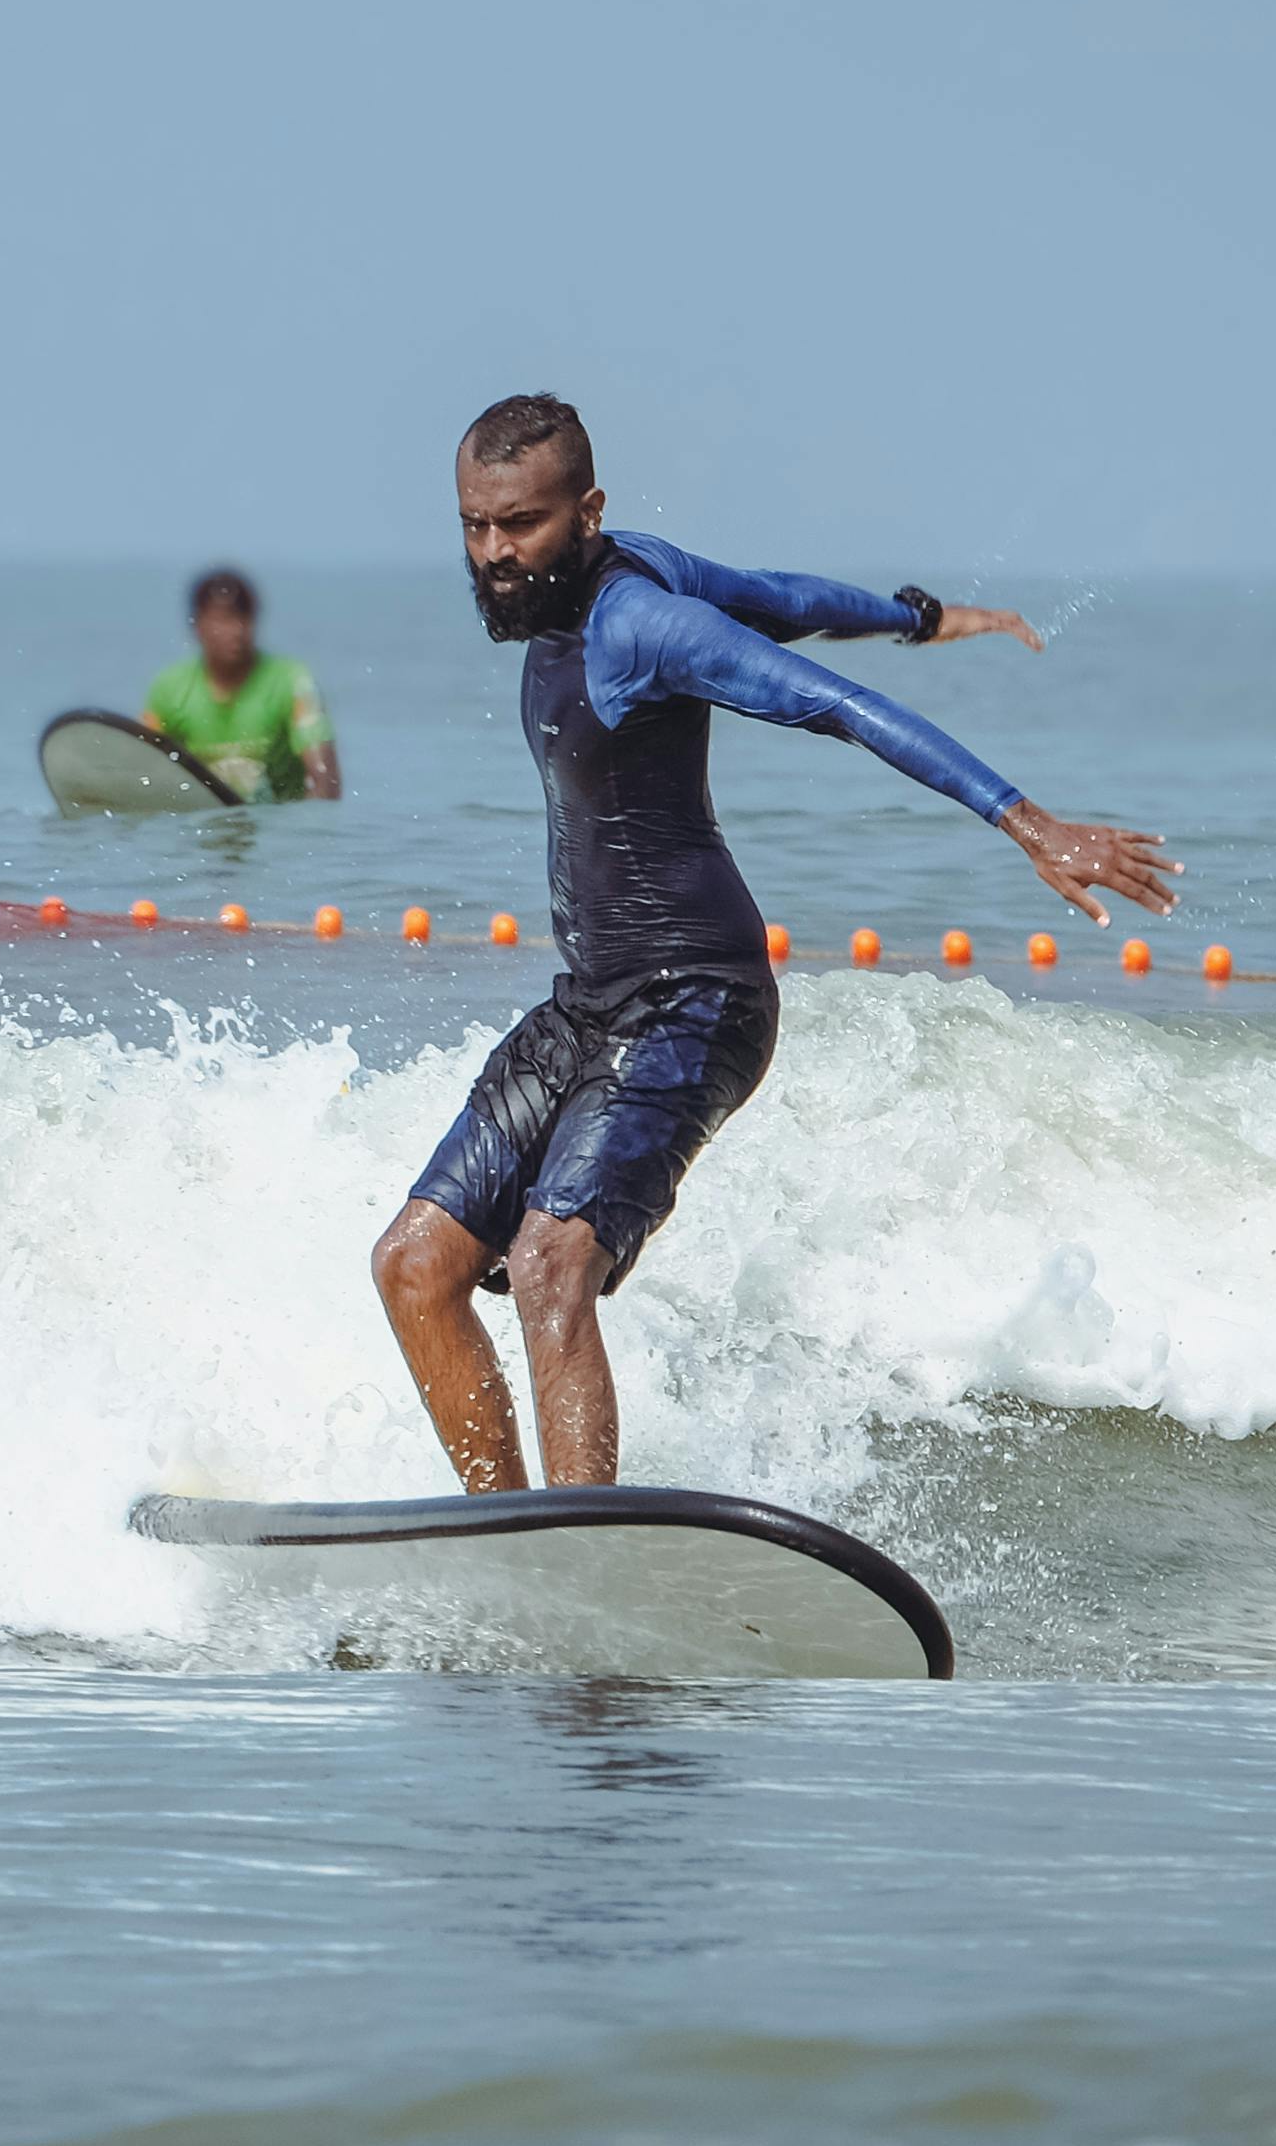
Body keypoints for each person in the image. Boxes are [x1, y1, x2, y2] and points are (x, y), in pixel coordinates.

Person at [368, 394, 1172, 1494]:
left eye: (524, 526)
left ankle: (582, 1550)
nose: (496, 555)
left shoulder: (639, 623)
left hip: (693, 1004)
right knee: (413, 1266)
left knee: (553, 1266)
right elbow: (784, 598)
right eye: (476, 525)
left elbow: (831, 702)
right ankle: (506, 1537)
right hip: (591, 1002)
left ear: (587, 512)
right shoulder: (606, 583)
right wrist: (918, 614)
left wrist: (1026, 821)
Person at [142, 569, 340, 800]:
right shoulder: (169, 689)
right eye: (223, 619)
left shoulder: (293, 682)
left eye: (244, 617)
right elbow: (141, 771)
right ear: (197, 625)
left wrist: (307, 833)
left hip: (278, 824)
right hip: (203, 824)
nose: (236, 631)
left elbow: (326, 780)